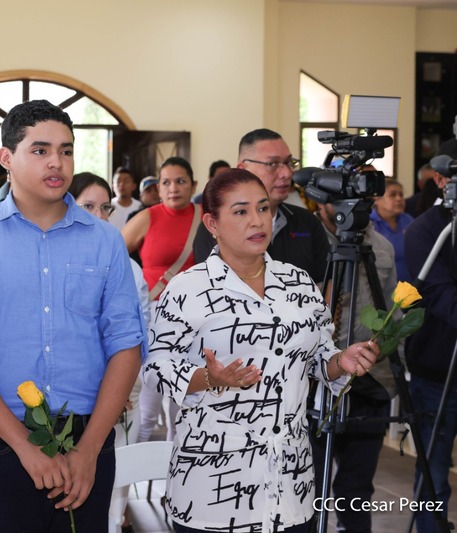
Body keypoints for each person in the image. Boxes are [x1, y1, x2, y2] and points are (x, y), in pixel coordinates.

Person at [0, 99, 145, 531]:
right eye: (41, 150)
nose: (57, 162)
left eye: (66, 150)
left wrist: (88, 451)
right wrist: (25, 447)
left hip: (88, 442)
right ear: (6, 157)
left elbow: (126, 345)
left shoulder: (105, 241)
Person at [144, 169, 379, 533]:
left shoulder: (297, 282)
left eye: (263, 208)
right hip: (213, 485)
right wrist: (208, 377)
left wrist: (339, 362)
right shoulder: (187, 289)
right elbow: (156, 367)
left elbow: (319, 357)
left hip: (291, 483)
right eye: (240, 212)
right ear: (212, 223)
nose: (257, 221)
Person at [68, 171, 150, 533]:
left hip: (120, 394)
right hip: (65, 397)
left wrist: (122, 390)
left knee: (113, 492)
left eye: (106, 207)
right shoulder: (51, 262)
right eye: (88, 207)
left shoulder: (128, 267)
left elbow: (139, 333)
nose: (100, 217)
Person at [312, 198, 398, 533]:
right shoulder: (308, 241)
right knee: (310, 487)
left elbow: (394, 311)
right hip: (316, 381)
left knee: (357, 489)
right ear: (321, 197)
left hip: (370, 378)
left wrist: (392, 355)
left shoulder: (380, 246)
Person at [121, 156, 199, 442]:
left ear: (194, 185)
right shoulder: (147, 217)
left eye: (180, 181)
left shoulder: (206, 217)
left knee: (182, 409)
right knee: (148, 407)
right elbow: (114, 257)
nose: (173, 188)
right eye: (166, 182)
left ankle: (174, 484)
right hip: (154, 317)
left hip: (195, 320)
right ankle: (132, 482)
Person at [193, 128, 330, 285]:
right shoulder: (219, 227)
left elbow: (327, 282)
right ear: (243, 169)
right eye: (272, 164)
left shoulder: (307, 222)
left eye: (288, 163)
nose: (286, 173)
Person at [404, 138, 457, 533]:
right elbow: (444, 299)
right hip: (438, 373)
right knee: (434, 477)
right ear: (441, 179)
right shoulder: (425, 230)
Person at [370, 178, 414, 282]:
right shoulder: (368, 223)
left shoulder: (408, 220)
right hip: (381, 286)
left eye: (401, 195)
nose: (399, 199)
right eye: (392, 195)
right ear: (377, 198)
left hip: (409, 288)